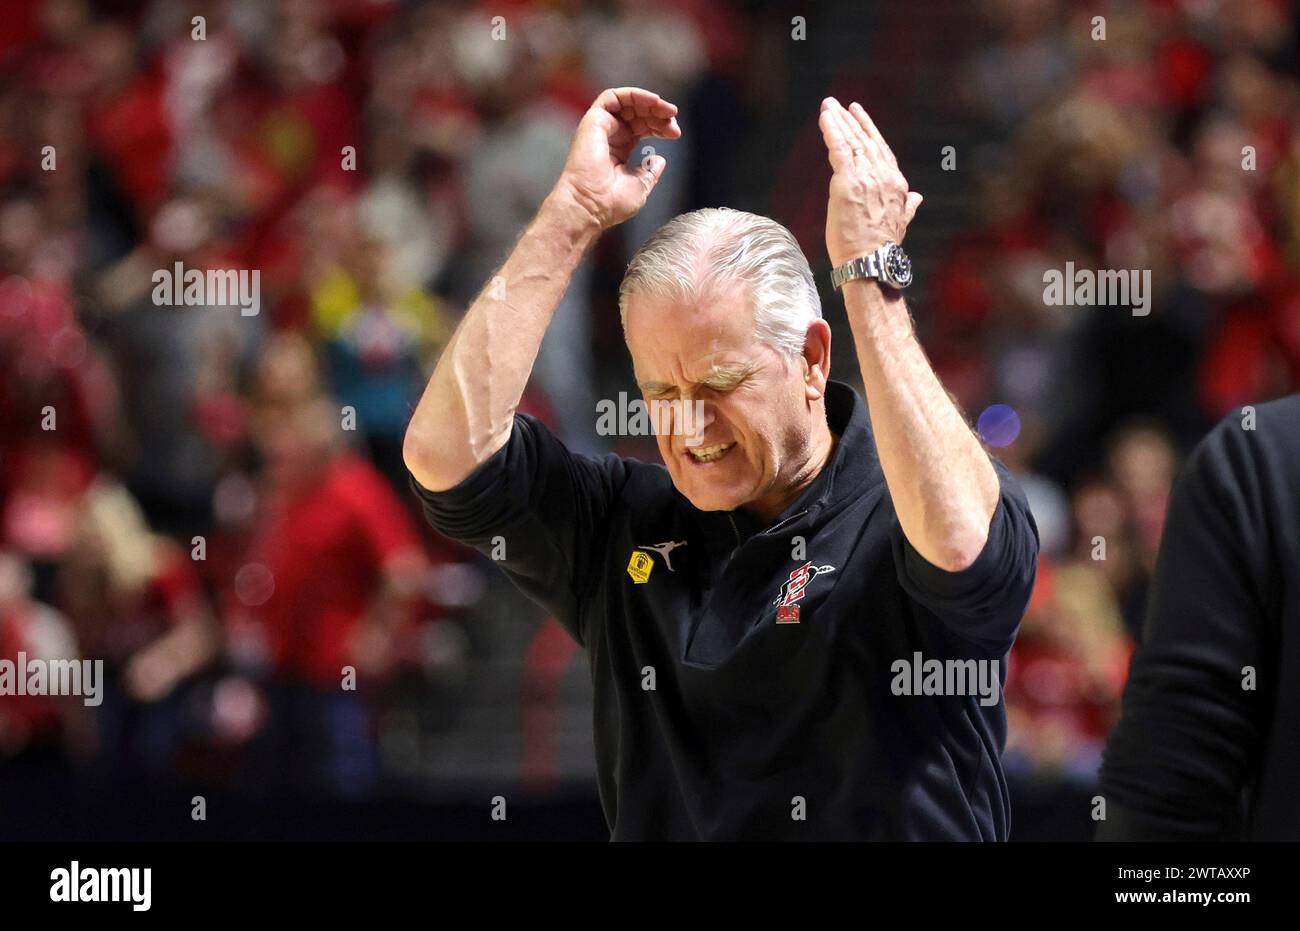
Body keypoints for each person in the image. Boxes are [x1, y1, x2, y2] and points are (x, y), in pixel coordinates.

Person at [403, 87, 1039, 840]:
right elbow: (446, 456)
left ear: (810, 358)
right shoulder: (623, 522)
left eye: (720, 383)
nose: (691, 424)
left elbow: (964, 545)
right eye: (661, 390)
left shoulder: (907, 504)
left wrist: (869, 280)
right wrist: (571, 217)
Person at [1097, 395, 1300, 840]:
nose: (1142, 503)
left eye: (1152, 485)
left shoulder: (1257, 458)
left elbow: (1168, 787)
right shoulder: (1099, 571)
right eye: (1128, 484)